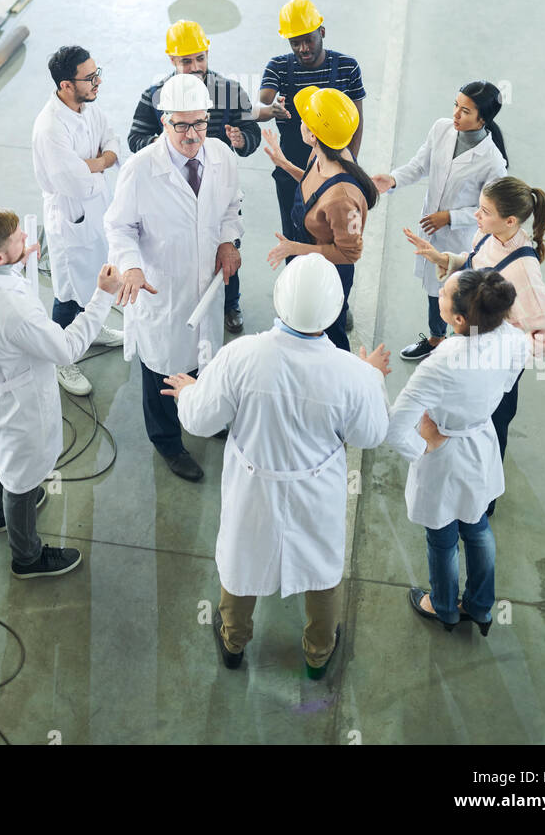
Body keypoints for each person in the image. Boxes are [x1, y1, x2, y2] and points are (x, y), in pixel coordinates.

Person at [161, 253, 390, 678]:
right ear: (335, 308)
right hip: (316, 493)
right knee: (321, 569)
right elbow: (371, 434)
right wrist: (372, 377)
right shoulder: (349, 373)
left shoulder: (242, 356)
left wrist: (191, 392)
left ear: (279, 298)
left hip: (254, 490)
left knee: (242, 561)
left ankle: (233, 642)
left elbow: (201, 420)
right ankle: (318, 652)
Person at [0, 209, 122, 578]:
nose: (27, 238)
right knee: (21, 480)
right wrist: (102, 298)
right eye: (18, 239)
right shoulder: (13, 310)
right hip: (19, 404)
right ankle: (27, 557)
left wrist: (17, 262)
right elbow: (67, 349)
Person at [105, 73, 243, 483]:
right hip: (162, 291)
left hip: (206, 287)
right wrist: (130, 265)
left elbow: (231, 208)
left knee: (205, 359)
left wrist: (228, 241)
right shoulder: (140, 169)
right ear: (164, 122)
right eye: (181, 124)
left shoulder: (221, 157)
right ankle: (167, 440)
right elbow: (119, 227)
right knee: (162, 370)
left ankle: (204, 415)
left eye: (199, 123)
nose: (191, 134)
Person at [405, 176, 545, 507]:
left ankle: (483, 501)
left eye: (484, 210)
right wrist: (445, 260)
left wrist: (507, 352)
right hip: (473, 342)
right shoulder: (488, 233)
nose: (476, 215)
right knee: (466, 414)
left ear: (510, 220)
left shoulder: (523, 271)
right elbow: (475, 263)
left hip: (493, 359)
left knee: (492, 423)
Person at [386, 268, 527, 632]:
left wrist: (424, 443)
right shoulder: (514, 338)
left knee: (442, 534)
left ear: (459, 319)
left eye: (444, 294)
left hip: (444, 455)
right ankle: (480, 606)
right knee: (477, 526)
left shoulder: (442, 362)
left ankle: (444, 606)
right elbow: (508, 384)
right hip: (480, 443)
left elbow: (394, 427)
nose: (440, 292)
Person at [127, 20, 259, 334]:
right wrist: (169, 144)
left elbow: (252, 132)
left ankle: (230, 303)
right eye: (186, 61)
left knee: (226, 247)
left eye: (200, 58)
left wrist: (242, 141)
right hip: (172, 191)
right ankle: (188, 302)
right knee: (184, 250)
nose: (195, 67)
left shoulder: (229, 91)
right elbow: (135, 139)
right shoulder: (154, 96)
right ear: (171, 60)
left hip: (218, 189)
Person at [371, 80, 508, 363]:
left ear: (482, 119)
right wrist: (394, 179)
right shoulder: (442, 129)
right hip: (433, 230)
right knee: (437, 291)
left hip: (461, 239)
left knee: (462, 293)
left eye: (466, 111)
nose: (456, 114)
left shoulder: (493, 162)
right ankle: (436, 338)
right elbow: (420, 165)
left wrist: (450, 217)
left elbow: (490, 212)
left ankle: (469, 348)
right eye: (456, 106)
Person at [32, 45, 123, 398]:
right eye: (90, 78)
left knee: (96, 272)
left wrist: (94, 162)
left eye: (98, 73)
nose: (97, 82)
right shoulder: (50, 127)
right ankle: (60, 358)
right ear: (66, 85)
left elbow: (112, 143)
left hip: (97, 210)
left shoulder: (89, 107)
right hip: (70, 218)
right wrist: (100, 163)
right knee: (68, 290)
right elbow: (72, 180)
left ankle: (92, 329)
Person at [263, 86, 374, 350]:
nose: (301, 122)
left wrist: (295, 248)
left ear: (313, 134)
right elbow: (313, 186)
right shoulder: (323, 154)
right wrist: (284, 163)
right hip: (310, 252)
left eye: (305, 120)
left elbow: (349, 255)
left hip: (330, 269)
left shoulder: (342, 198)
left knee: (329, 330)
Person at [259, 0, 366, 242]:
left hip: (334, 166)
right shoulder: (278, 67)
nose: (303, 48)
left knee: (330, 239)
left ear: (322, 32)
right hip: (290, 174)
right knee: (294, 236)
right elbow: (262, 102)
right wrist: (269, 107)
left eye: (309, 39)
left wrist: (349, 168)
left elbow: (357, 122)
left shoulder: (347, 68)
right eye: (295, 43)